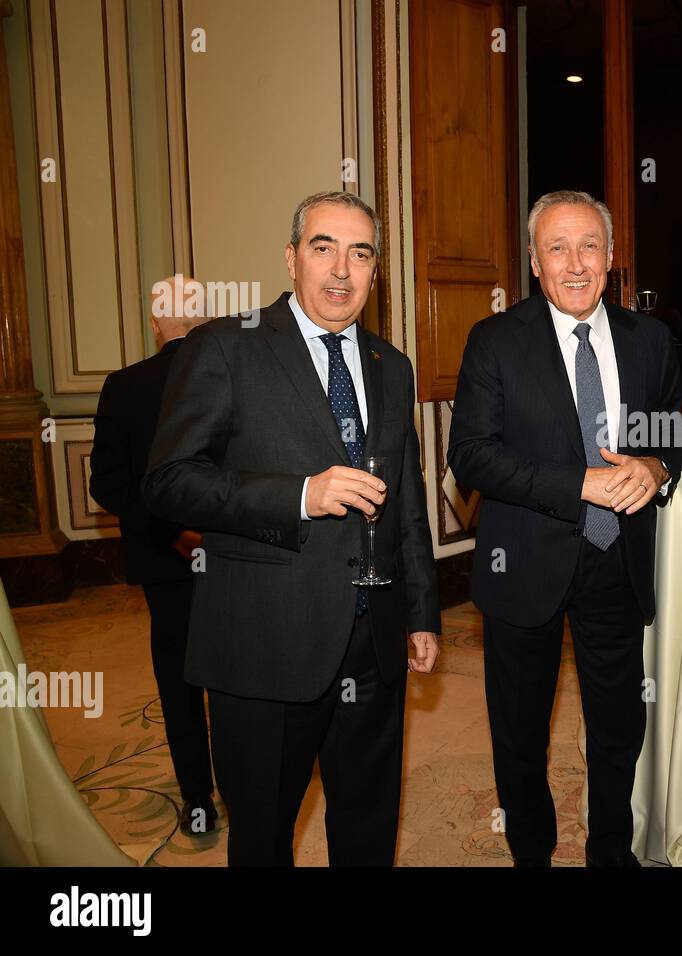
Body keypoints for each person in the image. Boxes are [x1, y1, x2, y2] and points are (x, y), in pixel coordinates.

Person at [143, 191, 440, 866]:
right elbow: (167, 483)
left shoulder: (389, 366)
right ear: (290, 259)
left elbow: (409, 504)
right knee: (264, 835)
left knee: (368, 829)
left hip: (373, 641)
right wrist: (301, 495)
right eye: (322, 247)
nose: (342, 269)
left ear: (375, 270)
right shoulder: (227, 347)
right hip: (264, 643)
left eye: (360, 253)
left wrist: (421, 613)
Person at [449, 189, 682, 867]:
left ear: (612, 257)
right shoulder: (494, 340)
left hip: (617, 560)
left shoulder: (651, 340)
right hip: (520, 564)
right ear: (533, 260)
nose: (575, 263)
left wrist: (654, 467)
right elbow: (470, 454)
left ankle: (611, 853)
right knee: (519, 733)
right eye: (557, 247)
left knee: (618, 726)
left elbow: (666, 437)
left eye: (589, 246)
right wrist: (577, 484)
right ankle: (532, 853)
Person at [90, 274, 215, 836]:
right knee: (240, 677)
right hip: (235, 556)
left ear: (155, 322)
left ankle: (197, 801)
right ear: (206, 317)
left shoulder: (123, 385)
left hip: (165, 563)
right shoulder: (230, 376)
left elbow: (107, 483)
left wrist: (171, 533)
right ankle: (250, 787)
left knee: (179, 680)